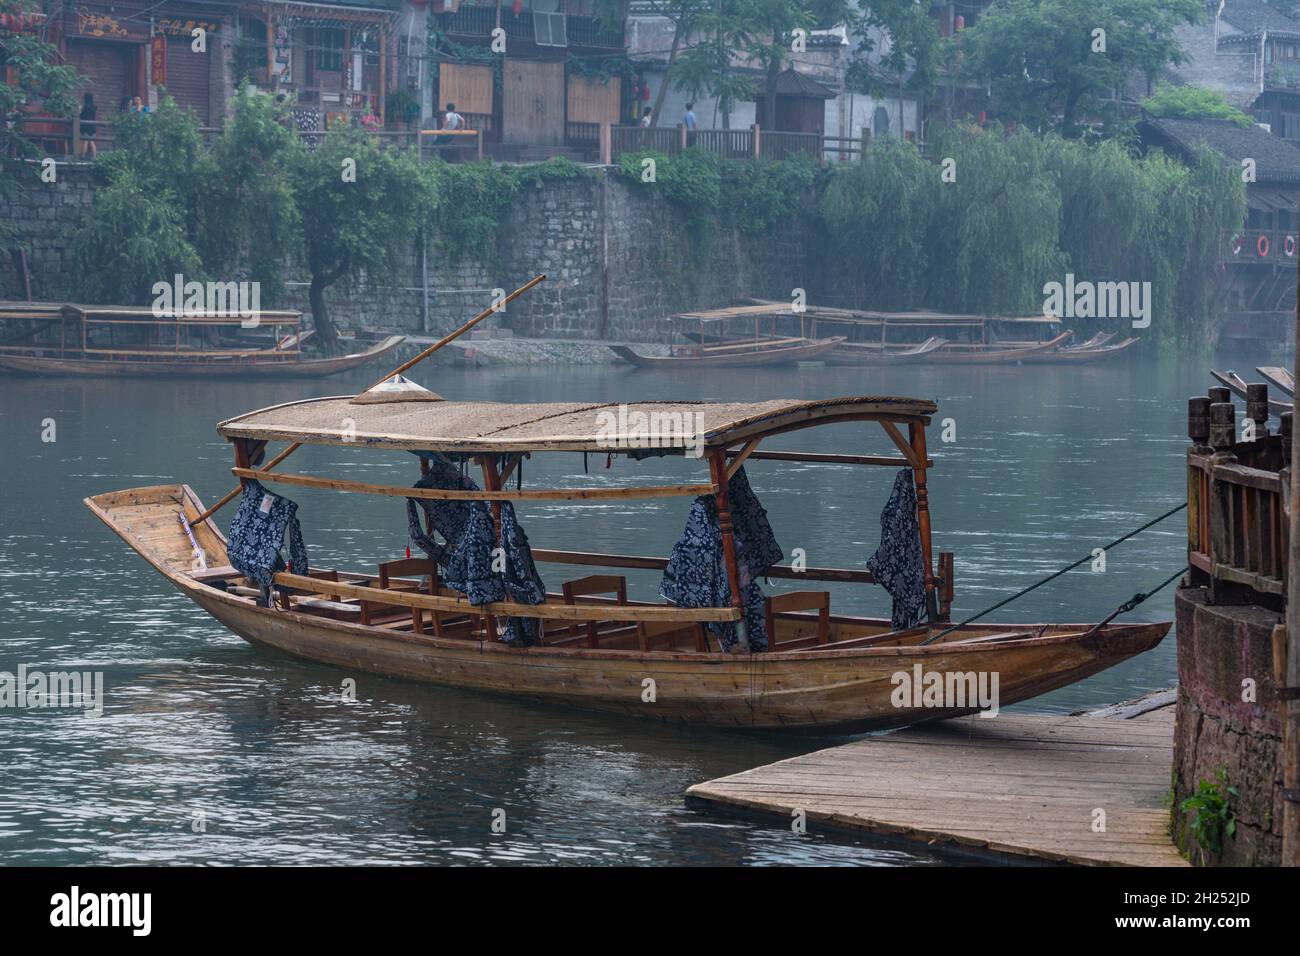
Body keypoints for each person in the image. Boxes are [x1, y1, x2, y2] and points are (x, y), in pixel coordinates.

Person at [79, 93, 97, 158]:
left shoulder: (84, 107)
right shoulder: (94, 107)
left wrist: (79, 110)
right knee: (92, 142)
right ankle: (94, 157)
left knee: (85, 141)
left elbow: (80, 116)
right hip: (92, 127)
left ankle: (82, 156)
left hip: (85, 126)